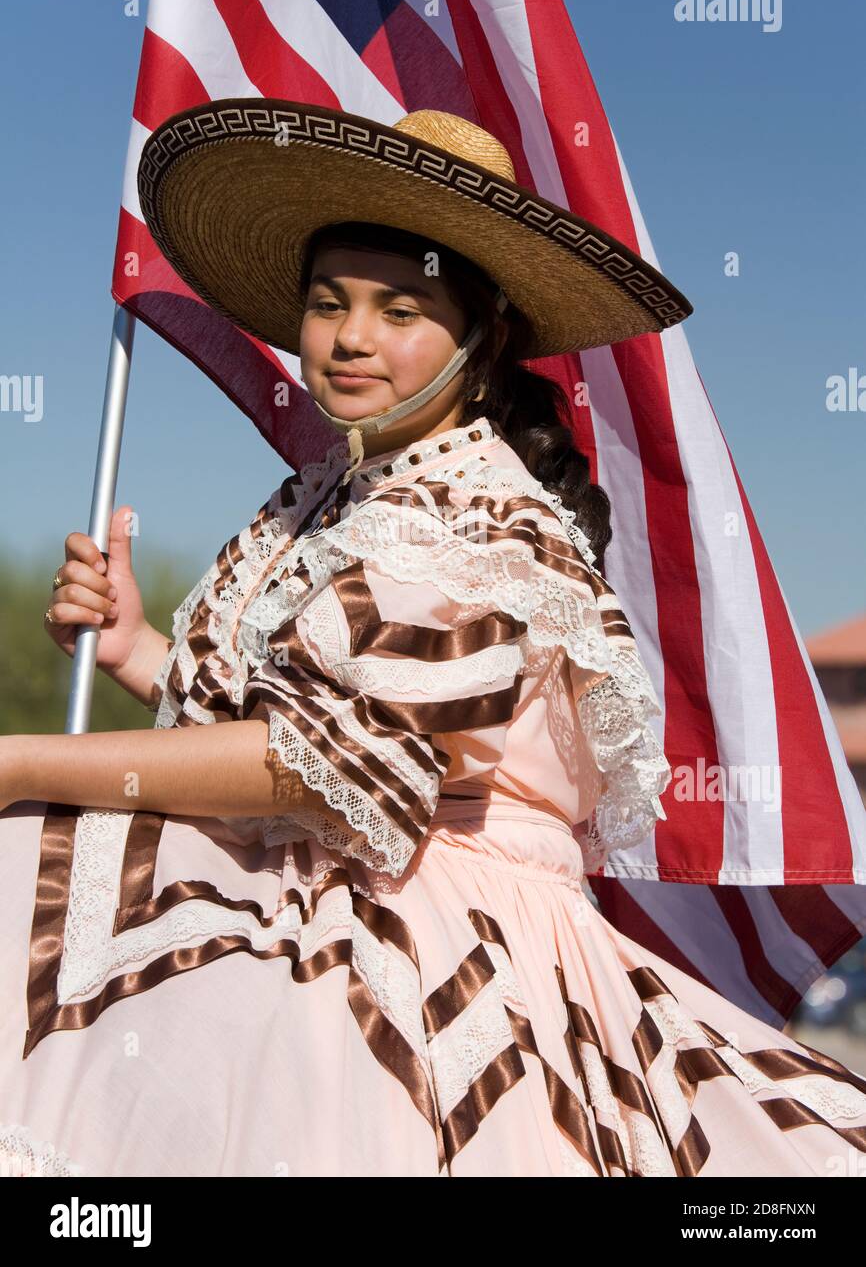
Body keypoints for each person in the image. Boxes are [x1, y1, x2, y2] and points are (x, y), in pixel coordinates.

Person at [1, 102, 865, 1178]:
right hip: (323, 878)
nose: (350, 337)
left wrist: (22, 763)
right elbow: (292, 726)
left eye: (399, 309)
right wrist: (136, 652)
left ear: (481, 336)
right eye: (327, 304)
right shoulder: (327, 493)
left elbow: (324, 767)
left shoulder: (475, 519)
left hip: (434, 928)